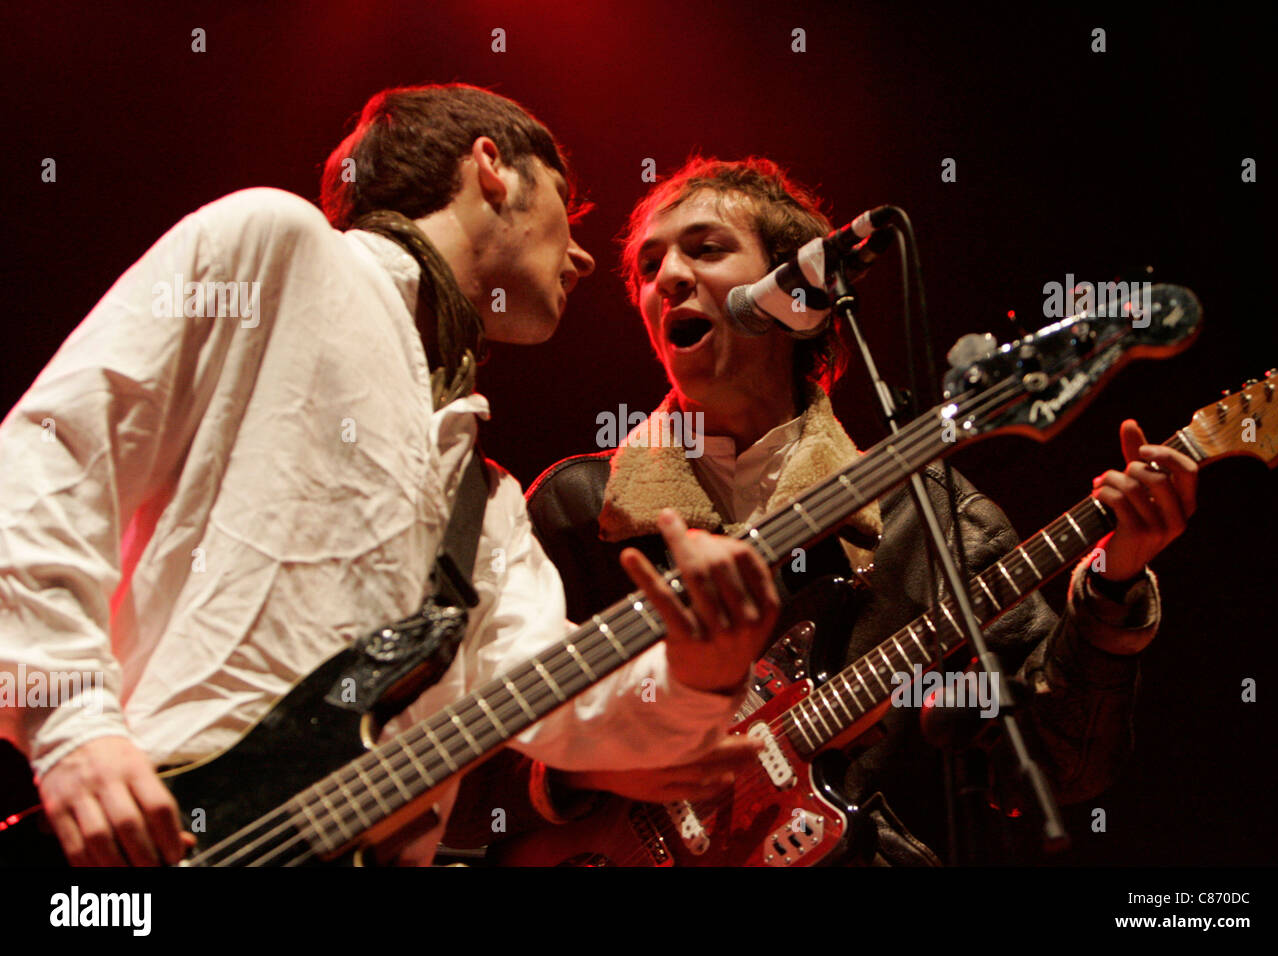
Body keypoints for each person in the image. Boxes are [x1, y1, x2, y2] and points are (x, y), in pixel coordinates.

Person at [0, 90, 782, 867]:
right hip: (157, 837)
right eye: (567, 209)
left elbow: (560, 710)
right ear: (491, 170)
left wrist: (698, 669)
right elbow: (48, 459)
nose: (581, 257)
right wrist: (72, 726)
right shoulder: (278, 243)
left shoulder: (486, 496)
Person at [442, 156, 1198, 864]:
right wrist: (595, 772)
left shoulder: (933, 519)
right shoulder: (579, 507)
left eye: (705, 250)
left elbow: (1058, 771)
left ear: (798, 301)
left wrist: (1112, 586)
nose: (668, 276)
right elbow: (469, 780)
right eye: (648, 265)